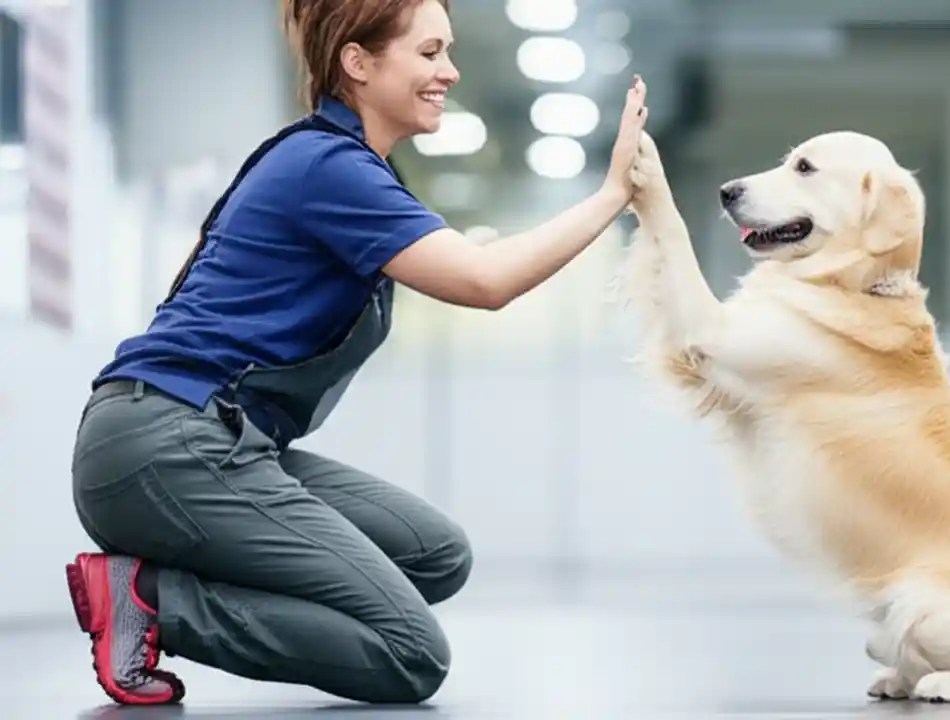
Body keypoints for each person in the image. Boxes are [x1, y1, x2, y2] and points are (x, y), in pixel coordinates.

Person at [66, 0, 649, 706]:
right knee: (410, 655)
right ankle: (153, 601)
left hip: (204, 442)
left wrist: (494, 250)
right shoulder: (328, 166)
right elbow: (483, 283)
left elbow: (467, 261)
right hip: (167, 447)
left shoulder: (344, 171)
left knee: (433, 552)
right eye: (430, 53)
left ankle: (163, 585)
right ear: (358, 62)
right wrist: (613, 194)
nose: (450, 71)